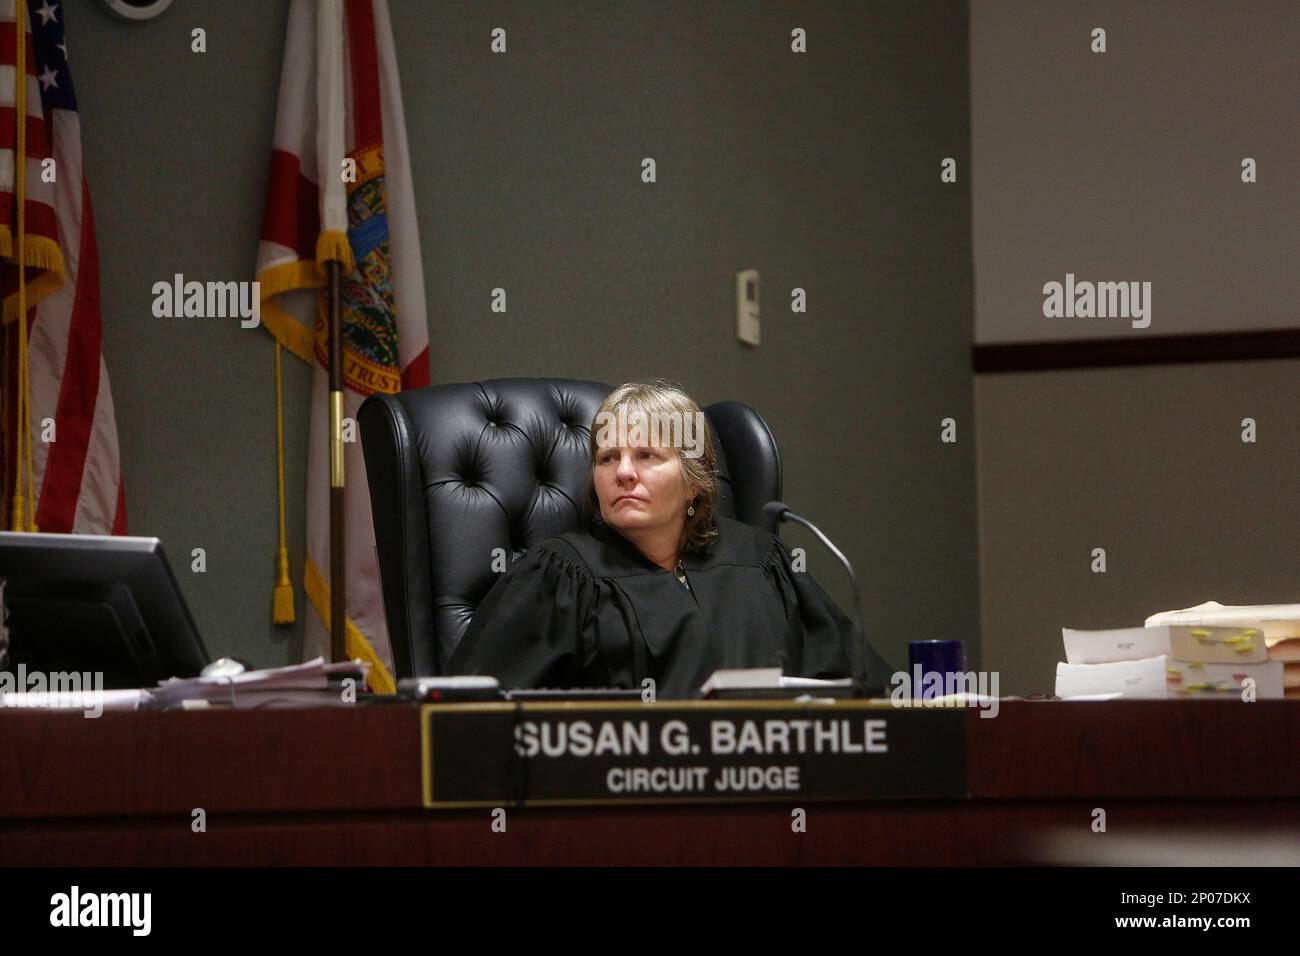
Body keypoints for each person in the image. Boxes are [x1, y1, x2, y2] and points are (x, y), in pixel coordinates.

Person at [446, 380, 893, 699]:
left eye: (646, 455)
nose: (622, 472)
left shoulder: (761, 561)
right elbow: (475, 716)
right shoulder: (561, 575)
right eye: (607, 458)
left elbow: (862, 690)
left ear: (695, 480)